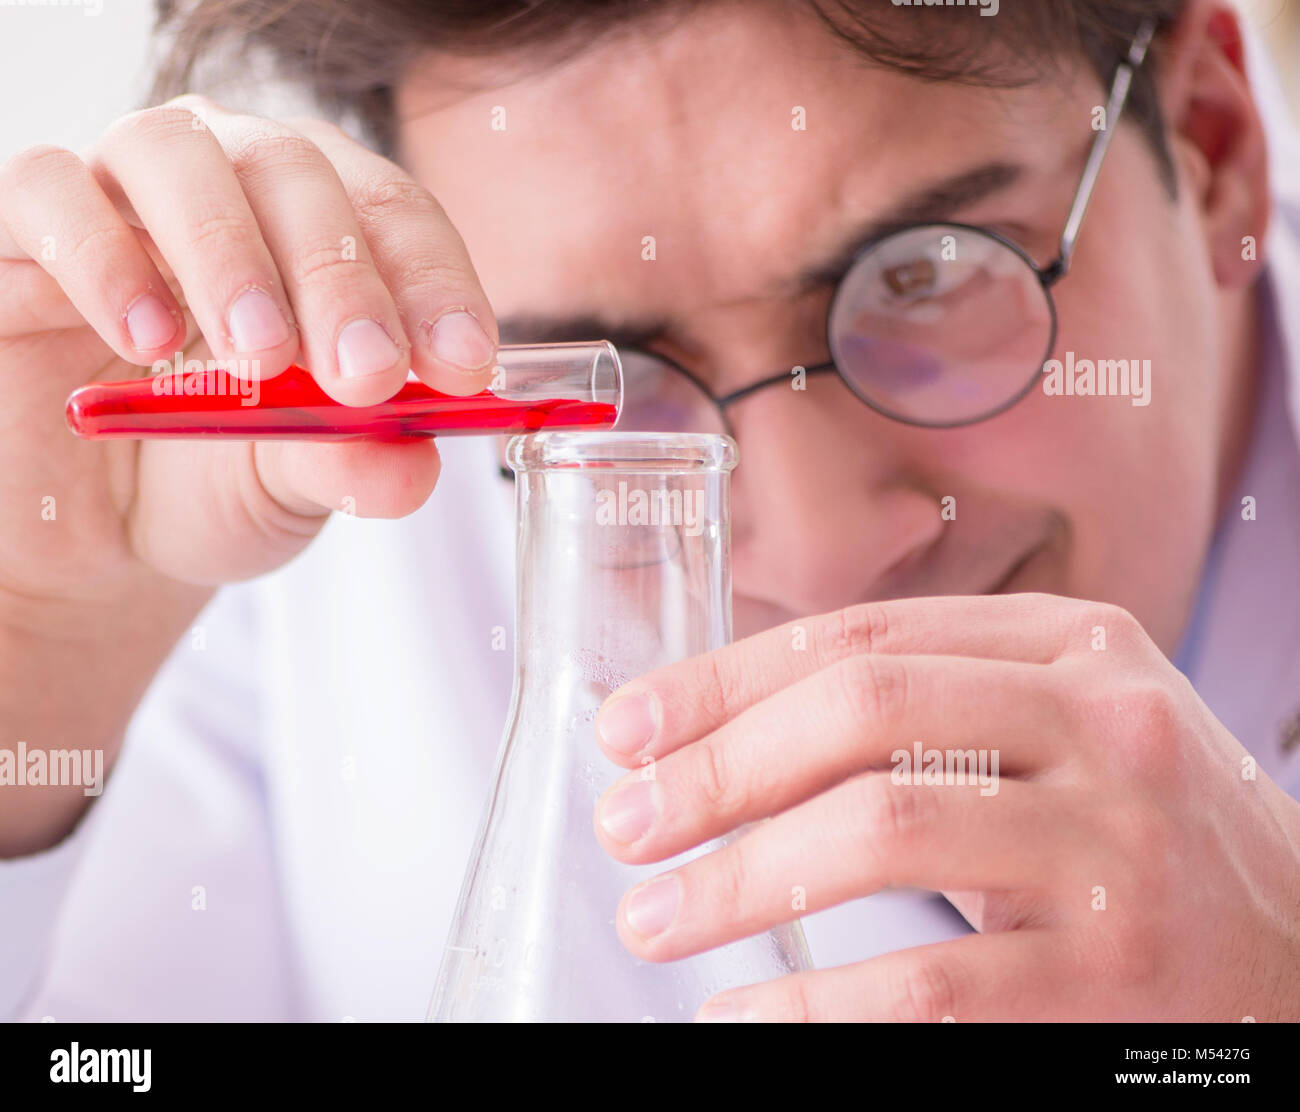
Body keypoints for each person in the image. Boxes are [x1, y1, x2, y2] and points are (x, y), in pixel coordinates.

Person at [1, 0, 1297, 1021]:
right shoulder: (336, 497)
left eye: (928, 273)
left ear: (1213, 142)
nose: (819, 546)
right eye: (614, 376)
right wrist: (34, 654)